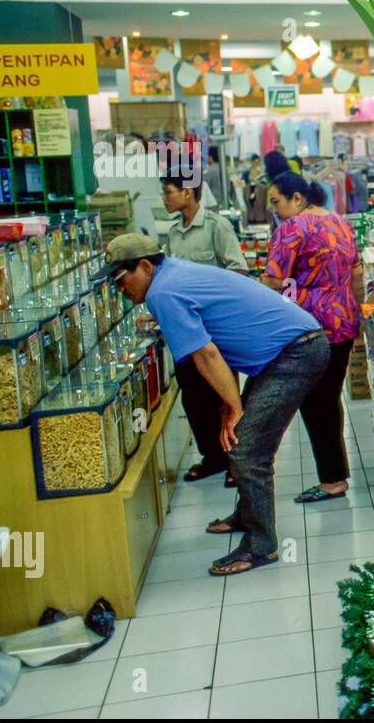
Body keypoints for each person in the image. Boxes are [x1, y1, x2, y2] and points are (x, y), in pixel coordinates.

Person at [104, 233, 328, 576]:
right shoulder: (172, 275)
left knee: (246, 449)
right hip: (283, 351)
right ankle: (248, 516)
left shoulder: (163, 292)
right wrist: (230, 403)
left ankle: (261, 546)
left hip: (295, 352)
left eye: (121, 279)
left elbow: (206, 355)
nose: (120, 289)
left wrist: (235, 408)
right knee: (240, 439)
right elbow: (224, 336)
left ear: (146, 266)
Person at [260, 172, 362, 504]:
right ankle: (335, 475)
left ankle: (333, 480)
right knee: (327, 398)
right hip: (344, 321)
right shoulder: (339, 222)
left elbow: (274, 280)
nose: (274, 210)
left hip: (311, 327)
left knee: (317, 402)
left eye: (276, 201)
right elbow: (357, 271)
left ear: (298, 199)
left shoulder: (292, 229)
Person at [159, 173, 249, 486]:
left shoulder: (216, 226)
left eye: (168, 192)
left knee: (225, 397)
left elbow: (238, 269)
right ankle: (213, 457)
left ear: (187, 192)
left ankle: (239, 463)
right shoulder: (173, 234)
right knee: (194, 398)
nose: (164, 198)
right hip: (186, 332)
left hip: (215, 331)